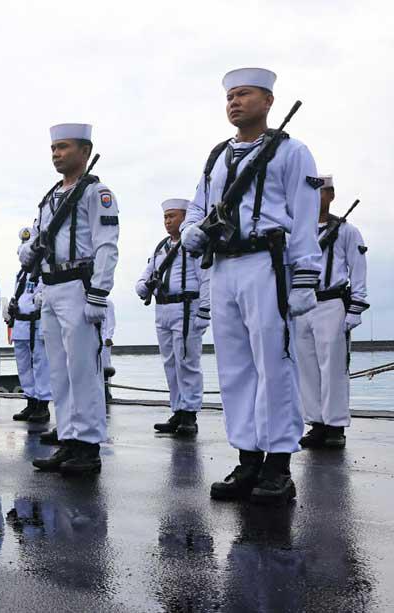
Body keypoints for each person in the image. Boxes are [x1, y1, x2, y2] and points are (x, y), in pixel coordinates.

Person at [180, 67, 321, 505]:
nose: (234, 103)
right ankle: (248, 458)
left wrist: (303, 278)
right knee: (235, 368)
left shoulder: (292, 153)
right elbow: (198, 207)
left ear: (269, 101)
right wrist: (190, 231)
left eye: (244, 95)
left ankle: (278, 465)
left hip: (267, 262)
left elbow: (303, 218)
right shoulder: (217, 157)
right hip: (224, 266)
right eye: (229, 97)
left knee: (274, 364)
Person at [20, 123, 119, 475]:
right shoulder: (49, 199)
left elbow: (107, 245)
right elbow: (35, 241)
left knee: (83, 370)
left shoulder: (96, 193)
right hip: (50, 285)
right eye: (53, 149)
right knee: (58, 372)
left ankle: (87, 446)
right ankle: (69, 438)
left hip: (79, 284)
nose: (56, 154)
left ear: (85, 151)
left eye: (63, 147)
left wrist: (99, 293)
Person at [295, 174, 369, 450]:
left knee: (334, 367)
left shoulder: (347, 231)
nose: (315, 198)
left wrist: (356, 307)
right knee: (307, 368)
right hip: (303, 305)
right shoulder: (298, 232)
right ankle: (317, 423)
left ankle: (335, 425)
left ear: (331, 195)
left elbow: (357, 268)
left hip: (331, 303)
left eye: (321, 192)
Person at [135, 198, 211, 437]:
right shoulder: (161, 248)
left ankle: (190, 414)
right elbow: (145, 276)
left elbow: (206, 277)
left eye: (173, 216)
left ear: (185, 217)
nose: (168, 222)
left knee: (187, 361)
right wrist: (143, 286)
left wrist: (205, 310)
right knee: (170, 363)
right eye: (166, 217)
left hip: (186, 307)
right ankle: (177, 409)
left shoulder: (194, 245)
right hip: (164, 308)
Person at [8, 227, 51, 424]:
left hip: (37, 324)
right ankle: (30, 400)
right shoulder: (21, 275)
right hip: (21, 325)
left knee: (41, 365)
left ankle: (42, 405)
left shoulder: (45, 271)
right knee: (24, 366)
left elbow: (46, 293)